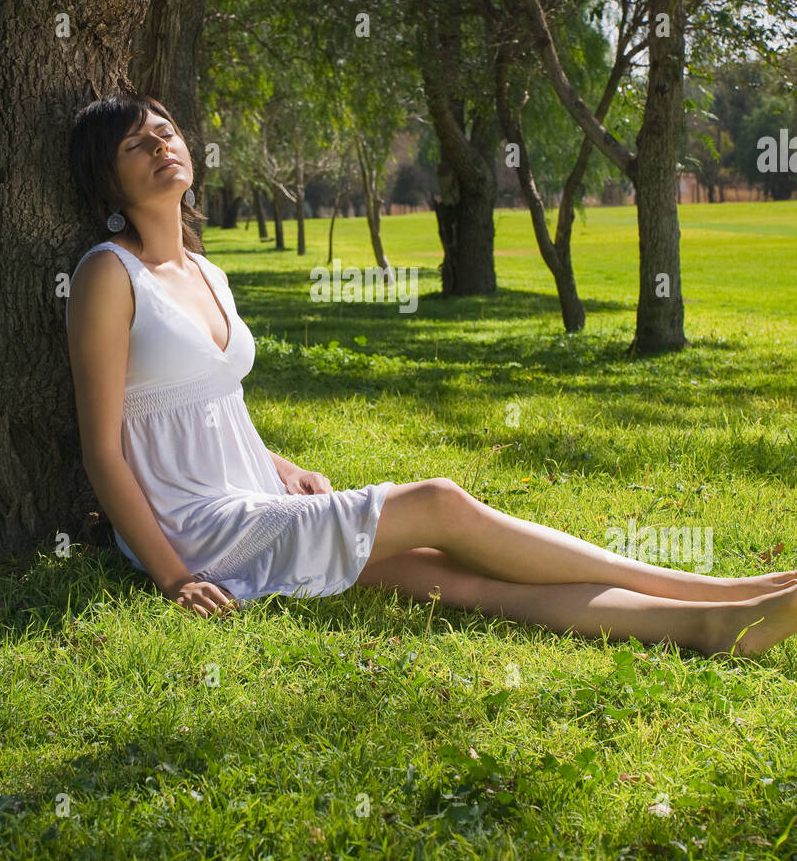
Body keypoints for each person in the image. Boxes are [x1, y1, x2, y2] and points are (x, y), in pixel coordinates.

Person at [66, 92, 797, 659]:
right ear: (109, 179)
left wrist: (279, 465)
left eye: (165, 130)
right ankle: (720, 588)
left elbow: (208, 406)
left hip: (254, 497)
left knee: (456, 581)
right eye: (137, 143)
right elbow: (105, 447)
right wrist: (173, 576)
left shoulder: (207, 271)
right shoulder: (109, 274)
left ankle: (714, 623)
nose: (160, 145)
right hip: (200, 532)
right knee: (441, 504)